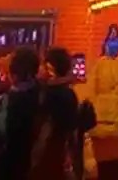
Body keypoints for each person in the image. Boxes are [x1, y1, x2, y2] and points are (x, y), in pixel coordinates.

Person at [0, 46, 46, 180]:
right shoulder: (44, 94)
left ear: (14, 74)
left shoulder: (8, 101)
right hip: (35, 166)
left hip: (9, 166)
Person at [43, 47, 82, 180]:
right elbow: (72, 128)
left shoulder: (47, 93)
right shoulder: (68, 93)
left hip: (50, 149)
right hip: (60, 148)